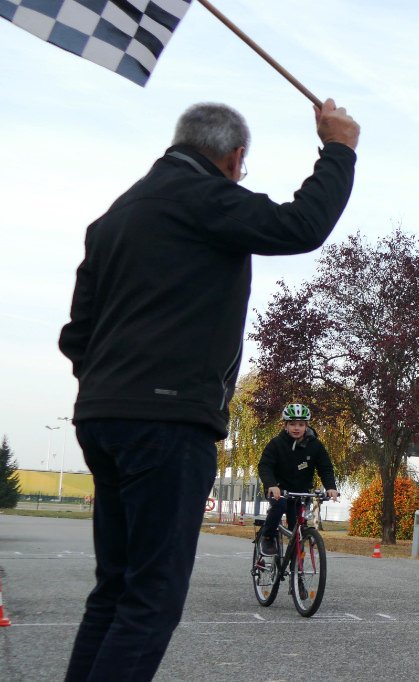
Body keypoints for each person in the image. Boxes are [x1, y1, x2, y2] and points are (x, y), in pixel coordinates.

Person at [58, 100, 359, 681]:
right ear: (234, 158)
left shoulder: (116, 216)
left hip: (102, 417)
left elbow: (77, 335)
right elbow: (301, 225)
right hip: (168, 421)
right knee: (151, 597)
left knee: (114, 590)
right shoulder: (205, 198)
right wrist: (338, 150)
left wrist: (110, 389)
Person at [256, 403, 340, 555]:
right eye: (292, 424)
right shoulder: (276, 444)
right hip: (278, 489)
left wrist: (330, 487)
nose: (296, 428)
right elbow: (265, 466)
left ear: (306, 426)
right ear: (286, 426)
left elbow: (325, 468)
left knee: (296, 527)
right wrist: (271, 485)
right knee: (279, 505)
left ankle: (295, 562)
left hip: (301, 492)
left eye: (301, 424)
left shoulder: (315, 446)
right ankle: (268, 537)